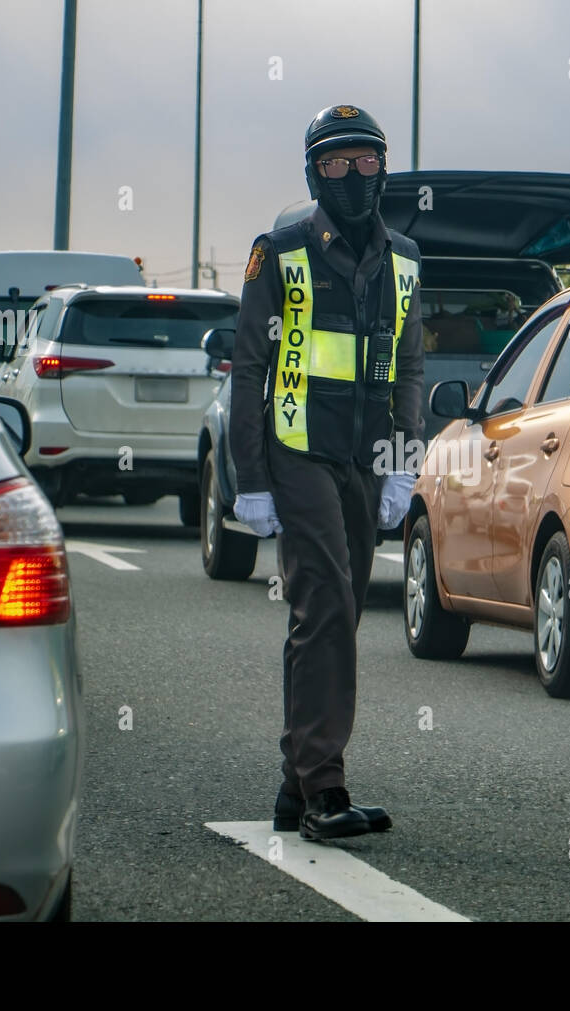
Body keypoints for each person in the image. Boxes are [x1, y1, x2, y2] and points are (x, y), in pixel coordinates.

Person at [228, 105, 424, 841]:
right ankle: (324, 788)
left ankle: (293, 784)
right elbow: (250, 367)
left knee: (327, 609)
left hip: (367, 457)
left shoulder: (404, 257)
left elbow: (408, 364)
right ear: (314, 172)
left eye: (366, 160)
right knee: (332, 604)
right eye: (337, 163)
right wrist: (251, 477)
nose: (353, 175)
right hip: (298, 451)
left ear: (384, 168)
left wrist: (404, 460)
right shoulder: (277, 252)